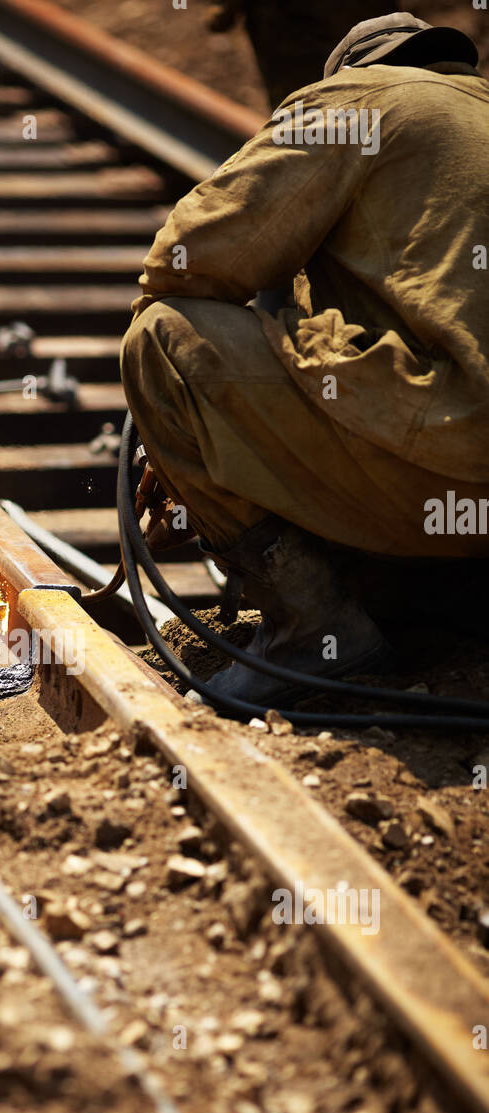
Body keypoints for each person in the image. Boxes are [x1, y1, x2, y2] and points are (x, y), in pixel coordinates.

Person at [120, 13, 489, 708]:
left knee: (163, 341)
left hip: (445, 460)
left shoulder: (358, 100)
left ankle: (310, 627)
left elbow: (187, 257)